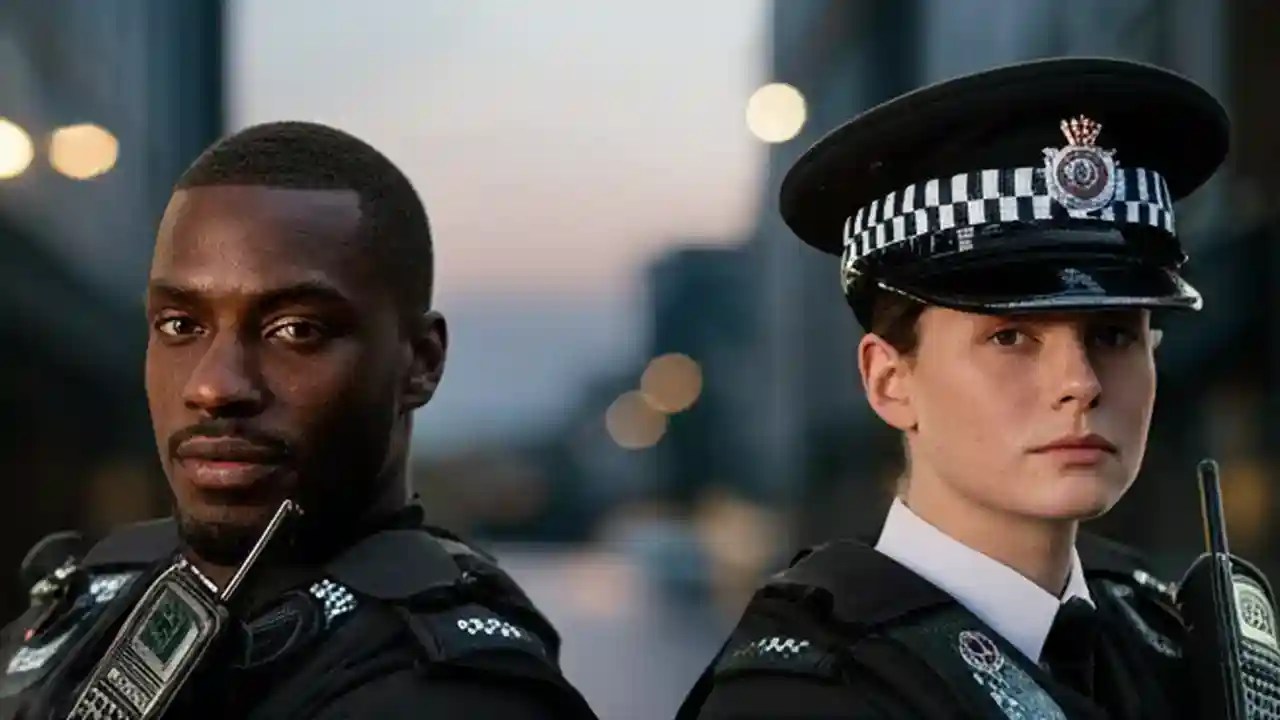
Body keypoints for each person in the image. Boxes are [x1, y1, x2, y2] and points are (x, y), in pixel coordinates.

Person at [677, 57, 1267, 719]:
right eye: (1010, 337)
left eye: (1114, 334)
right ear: (888, 380)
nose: (1080, 383)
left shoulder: (1168, 639)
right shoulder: (802, 700)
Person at [0, 122, 598, 719]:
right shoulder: (91, 598)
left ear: (421, 363)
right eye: (181, 325)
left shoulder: (453, 694)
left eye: (297, 331)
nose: (214, 386)